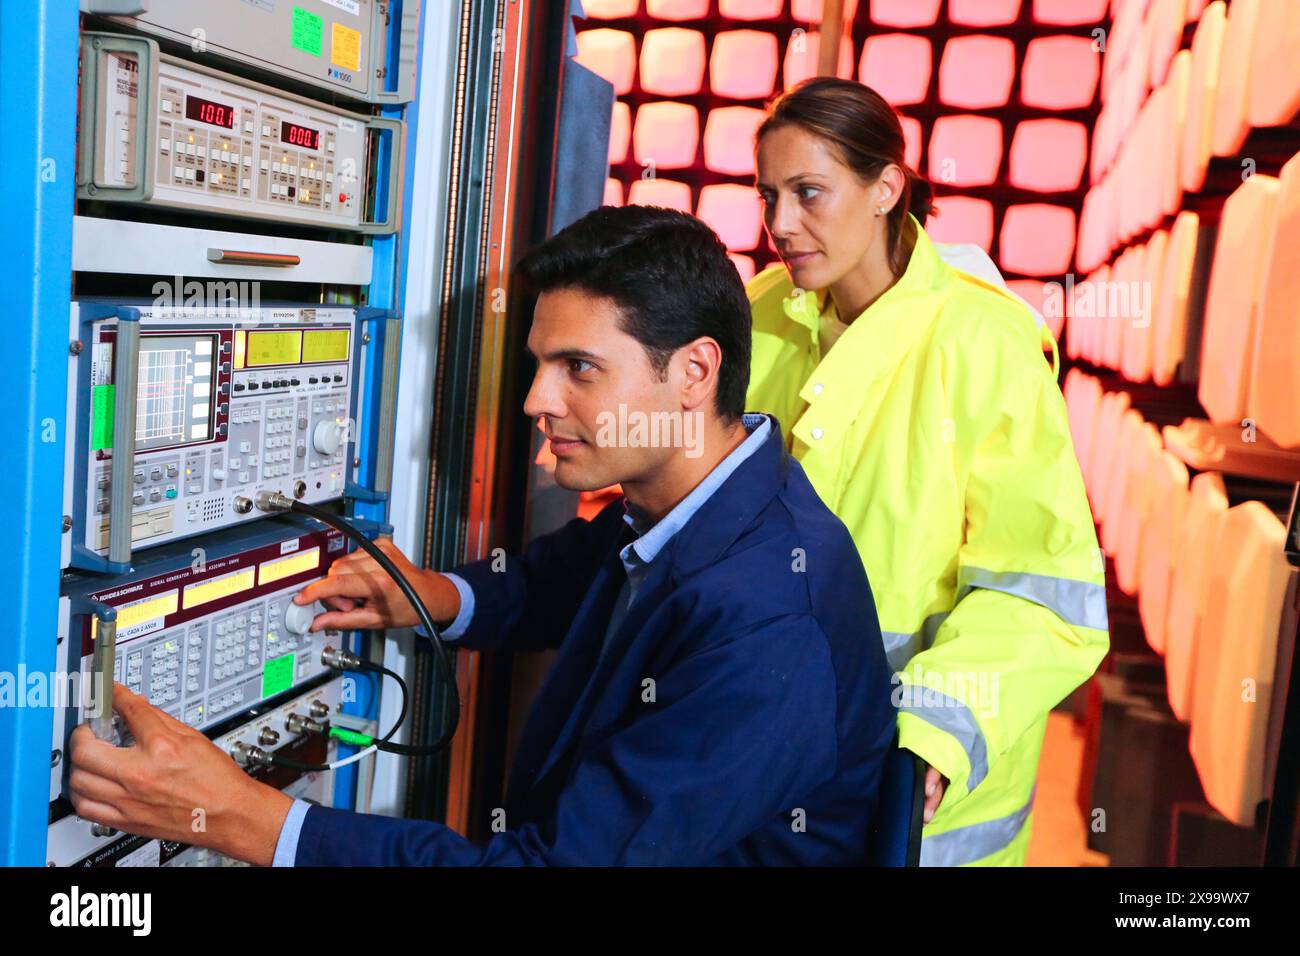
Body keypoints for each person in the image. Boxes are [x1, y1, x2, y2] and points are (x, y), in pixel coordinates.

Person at [69, 204, 897, 866]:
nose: (537, 400)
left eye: (579, 367)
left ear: (692, 372)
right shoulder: (700, 494)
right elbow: (567, 578)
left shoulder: (769, 622)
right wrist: (438, 596)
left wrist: (250, 819)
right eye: (540, 364)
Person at [746, 77, 1109, 867]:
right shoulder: (759, 314)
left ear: (887, 188)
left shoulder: (987, 345)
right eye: (767, 195)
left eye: (809, 192)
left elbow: (1042, 594)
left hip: (913, 793)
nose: (780, 223)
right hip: (764, 756)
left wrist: (938, 731)